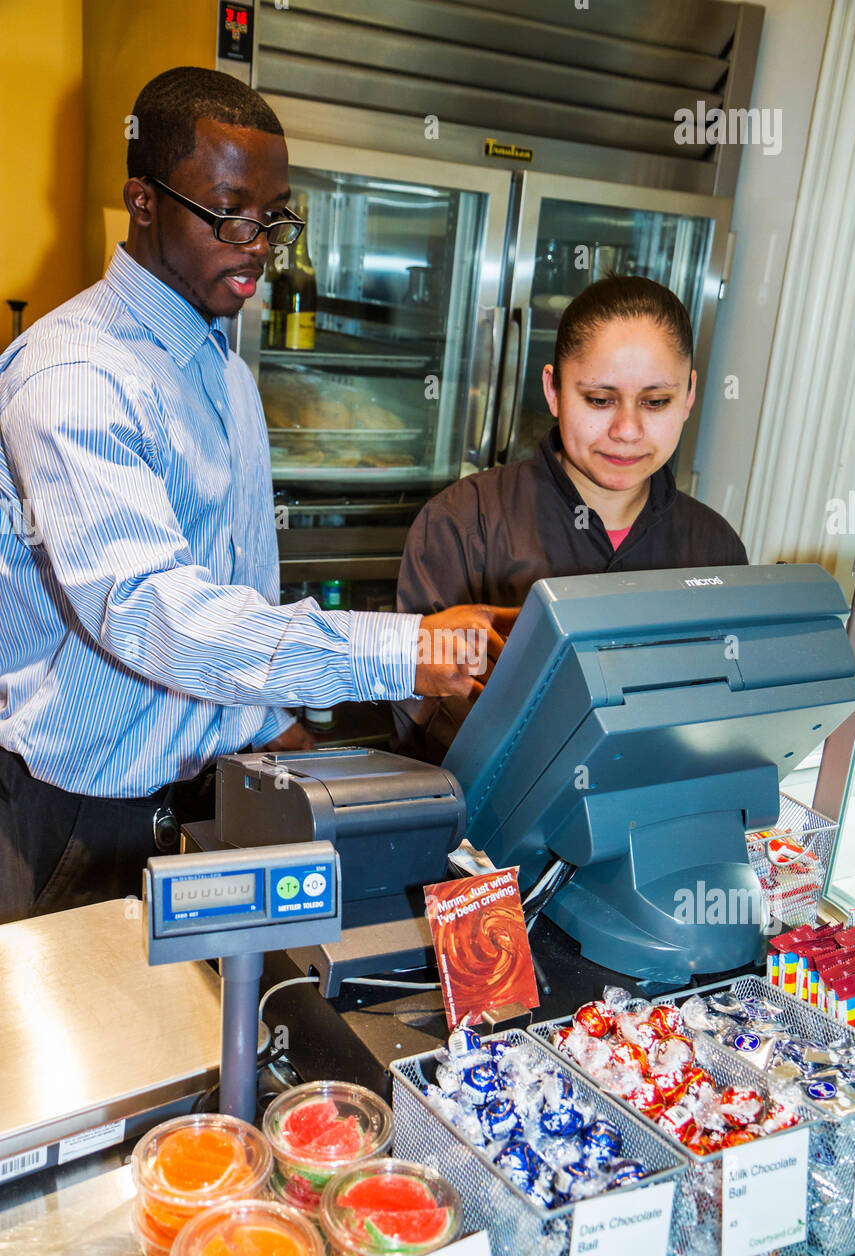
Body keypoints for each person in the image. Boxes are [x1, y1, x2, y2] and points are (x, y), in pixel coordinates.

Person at [0, 67, 515, 923]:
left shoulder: (227, 373)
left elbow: (234, 595)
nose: (257, 244)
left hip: (213, 794)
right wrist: (403, 648)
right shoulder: (76, 377)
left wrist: (272, 722)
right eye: (229, 212)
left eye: (275, 217)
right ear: (142, 200)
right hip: (85, 824)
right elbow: (152, 613)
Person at [394, 275, 747, 763]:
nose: (627, 430)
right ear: (554, 391)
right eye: (599, 400)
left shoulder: (716, 548)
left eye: (656, 401)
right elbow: (423, 724)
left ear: (689, 394)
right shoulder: (459, 527)